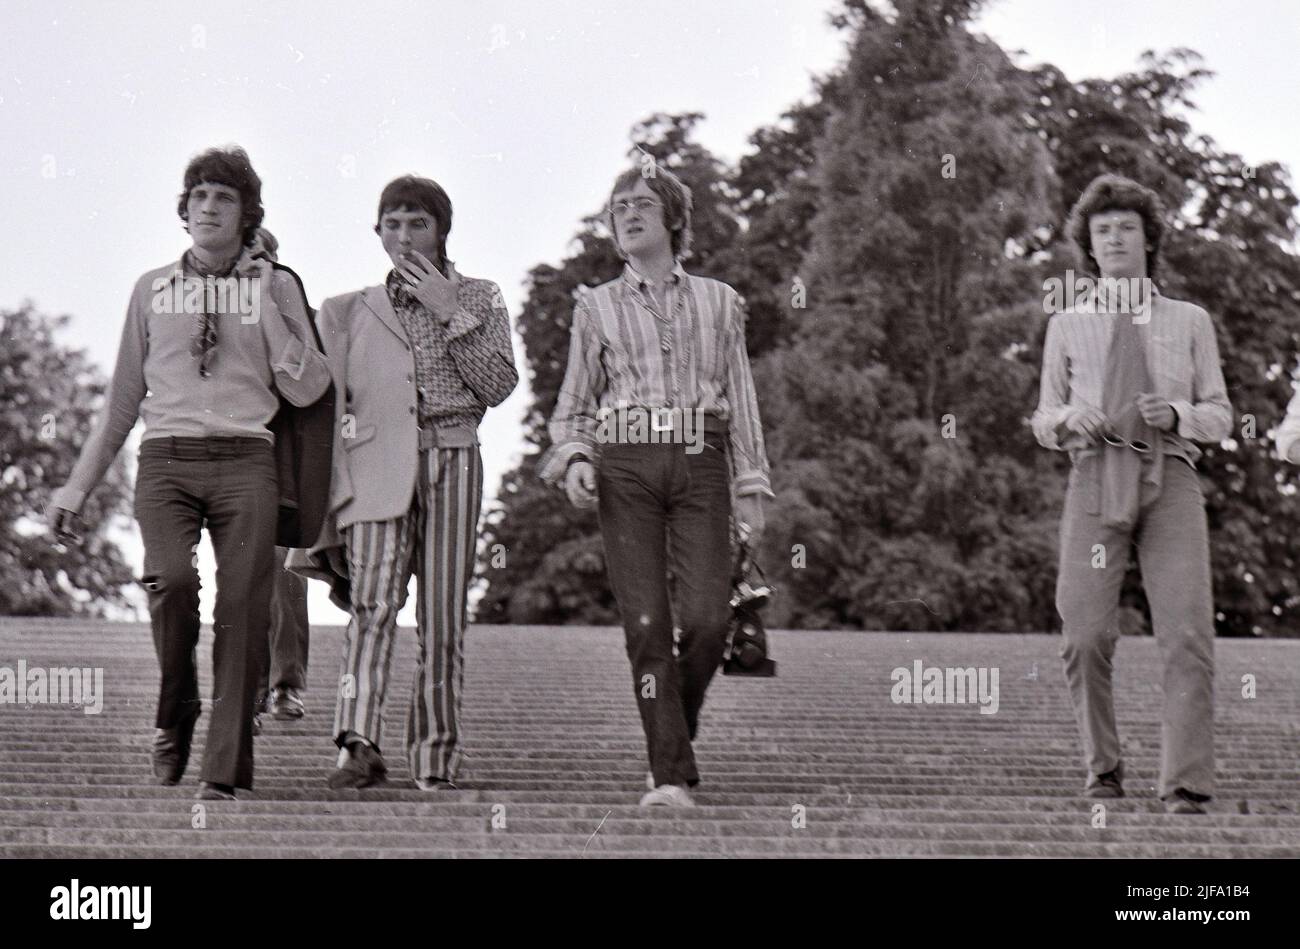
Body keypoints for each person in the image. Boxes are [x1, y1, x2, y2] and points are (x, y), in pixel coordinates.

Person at [47, 146, 331, 800]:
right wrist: (76, 487)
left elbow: (311, 386)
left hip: (246, 462)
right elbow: (121, 402)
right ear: (184, 209)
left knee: (242, 608)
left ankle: (225, 771)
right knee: (171, 581)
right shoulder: (151, 288)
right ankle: (176, 709)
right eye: (197, 194)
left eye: (223, 196)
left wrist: (268, 307)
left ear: (246, 214)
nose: (207, 205)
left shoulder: (277, 284)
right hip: (167, 461)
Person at [539, 164, 774, 807]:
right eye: (618, 209)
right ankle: (669, 774)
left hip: (702, 456)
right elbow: (572, 407)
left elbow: (743, 396)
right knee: (647, 624)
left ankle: (674, 739)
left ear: (673, 218)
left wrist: (752, 483)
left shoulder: (722, 300)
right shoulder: (594, 307)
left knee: (705, 619)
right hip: (626, 463)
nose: (629, 215)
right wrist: (577, 458)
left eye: (642, 204)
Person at [300, 175, 517, 790]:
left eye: (417, 223)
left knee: (444, 616)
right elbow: (324, 400)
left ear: (442, 230)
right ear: (377, 232)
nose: (404, 236)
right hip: (373, 466)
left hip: (453, 455)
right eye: (392, 224)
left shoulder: (482, 294)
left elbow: (499, 386)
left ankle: (434, 755)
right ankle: (357, 742)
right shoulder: (346, 310)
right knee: (372, 606)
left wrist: (454, 313)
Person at [1031, 173, 1232, 815]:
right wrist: (1069, 421)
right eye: (1102, 231)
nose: (1114, 239)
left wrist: (1176, 412)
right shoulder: (1067, 323)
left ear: (1149, 241)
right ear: (1089, 247)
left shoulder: (1189, 320)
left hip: (1169, 477)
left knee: (1187, 634)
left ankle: (1185, 784)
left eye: (1126, 228)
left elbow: (1222, 415)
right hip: (1095, 477)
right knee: (1084, 633)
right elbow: (1043, 418)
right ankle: (1103, 768)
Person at [248, 227, 313, 727]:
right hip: (232, 463)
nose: (255, 263)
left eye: (264, 254)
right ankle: (242, 693)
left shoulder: (296, 312)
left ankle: (285, 684)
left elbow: (315, 382)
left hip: (287, 467)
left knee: (286, 574)